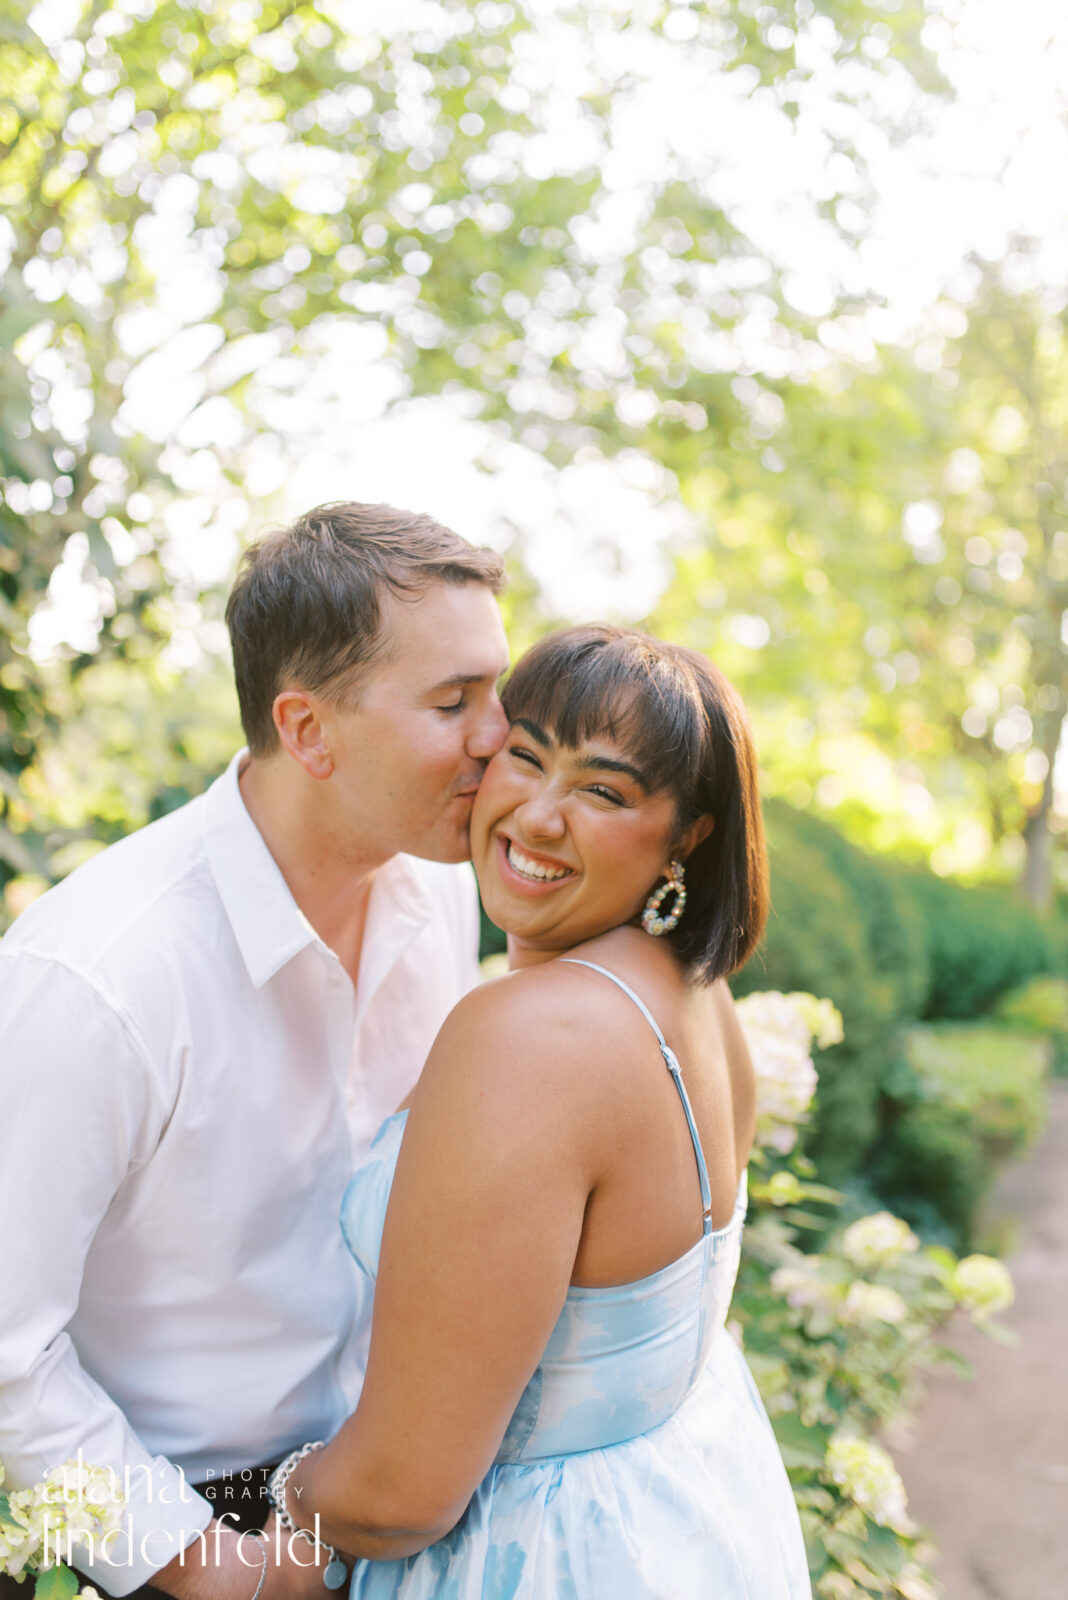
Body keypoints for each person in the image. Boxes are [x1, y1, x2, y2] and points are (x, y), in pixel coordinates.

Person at [0, 504, 511, 1600]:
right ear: (309, 730)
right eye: (453, 702)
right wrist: (206, 1568)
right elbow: (5, 1351)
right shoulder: (97, 979)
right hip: (181, 1524)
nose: (500, 737)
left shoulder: (443, 890)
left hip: (391, 1501)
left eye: (498, 692)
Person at [285, 624, 812, 1598]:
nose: (536, 815)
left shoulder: (530, 1038)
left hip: (531, 1557)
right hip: (683, 1521)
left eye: (603, 792)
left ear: (688, 835)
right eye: (525, 757)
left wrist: (250, 1497)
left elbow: (401, 1494)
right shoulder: (696, 994)